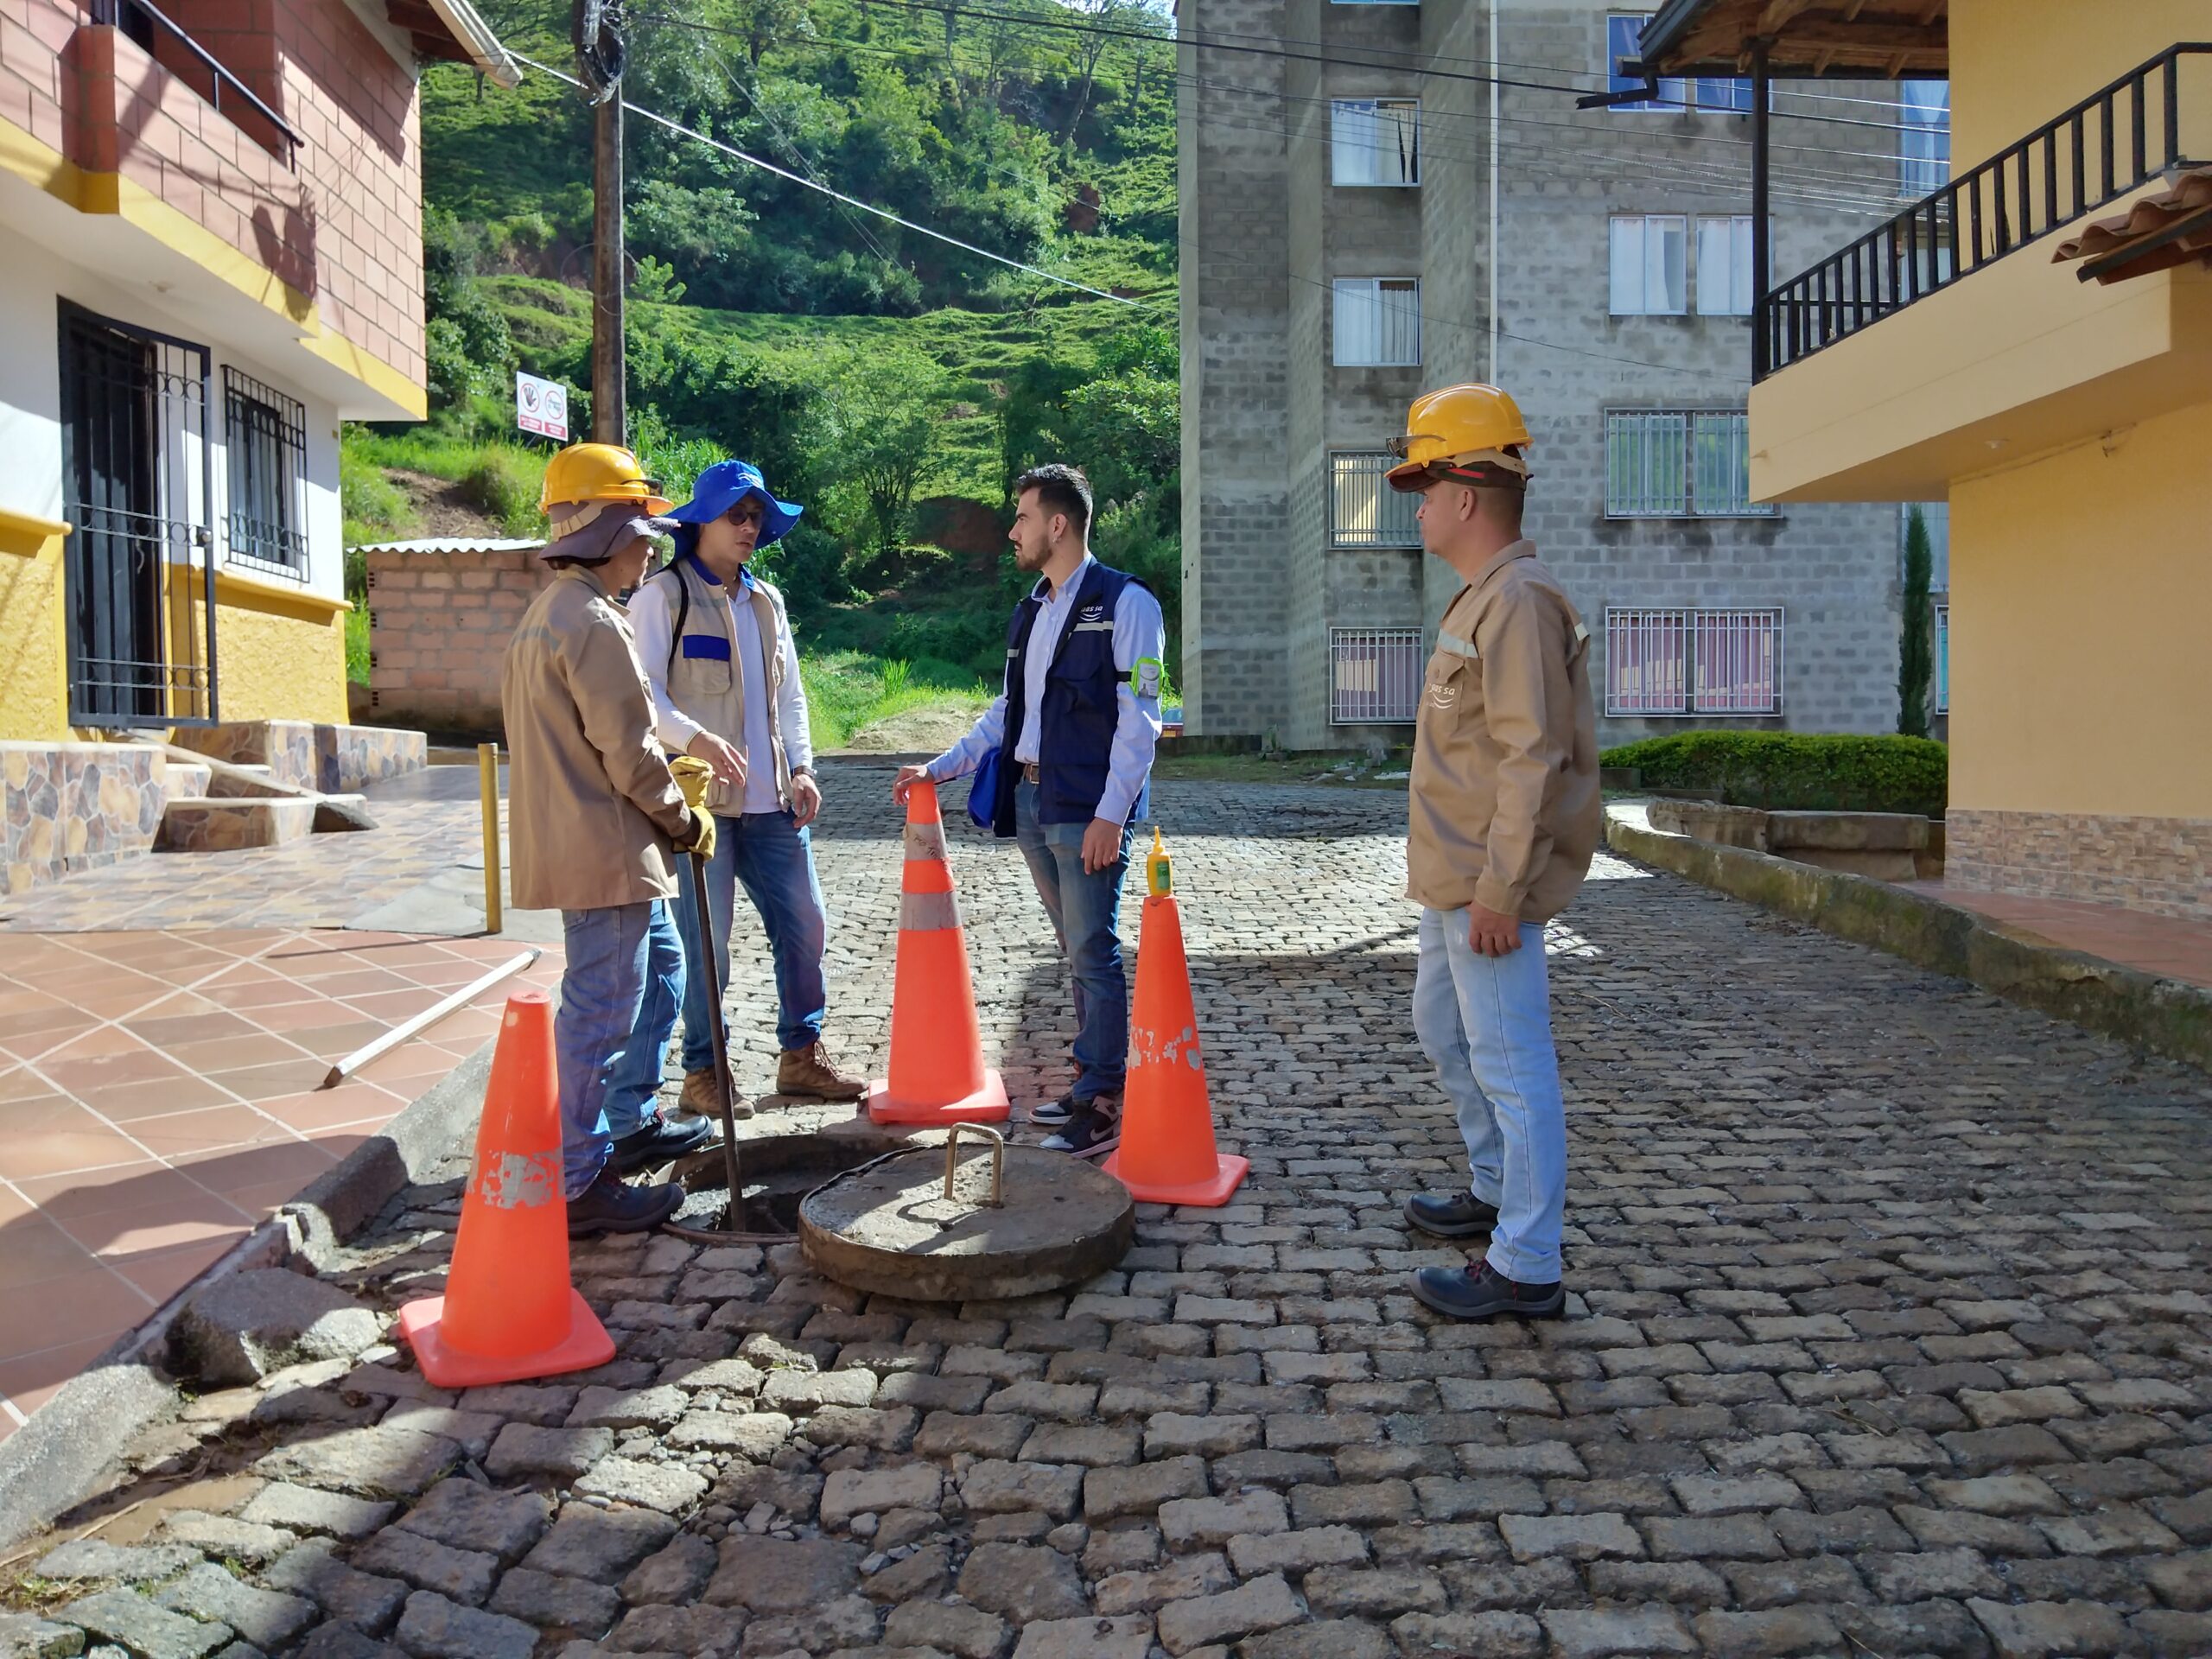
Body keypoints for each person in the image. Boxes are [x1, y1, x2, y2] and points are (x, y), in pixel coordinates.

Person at [1385, 385, 1600, 1320]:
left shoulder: (1517, 603)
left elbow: (1531, 758)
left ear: (1467, 495)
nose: (1419, 504)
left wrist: (1502, 896)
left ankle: (1527, 1262)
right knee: (1444, 1033)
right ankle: (1490, 1187)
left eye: (1425, 484)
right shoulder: (1485, 596)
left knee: (1514, 1067)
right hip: (1453, 884)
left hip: (1486, 891)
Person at [893, 464, 1166, 1158]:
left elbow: (1142, 718)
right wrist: (941, 766)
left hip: (1087, 808)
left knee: (1093, 949)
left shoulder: (1127, 603)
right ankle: (1087, 1082)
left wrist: (1113, 813)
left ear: (1058, 523)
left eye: (1021, 518)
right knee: (1075, 948)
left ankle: (1104, 1097)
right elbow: (1008, 711)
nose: (1011, 531)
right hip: (1035, 799)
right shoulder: (1033, 608)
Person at [502, 442, 725, 1235]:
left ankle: (624, 1123)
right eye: (641, 532)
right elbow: (627, 752)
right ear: (604, 531)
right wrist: (682, 815)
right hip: (602, 849)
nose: (649, 550)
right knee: (599, 1012)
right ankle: (576, 1180)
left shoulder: (549, 614)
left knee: (661, 969)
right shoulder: (593, 621)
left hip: (585, 841)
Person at [627, 460, 867, 1115]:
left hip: (775, 807)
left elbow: (790, 695)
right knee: (708, 944)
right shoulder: (661, 598)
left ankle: (801, 1055)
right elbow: (643, 699)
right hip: (702, 808)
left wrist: (804, 768)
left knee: (806, 926)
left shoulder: (767, 601)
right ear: (701, 521)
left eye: (757, 515)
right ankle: (704, 1072)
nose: (749, 526)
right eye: (737, 513)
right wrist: (696, 740)